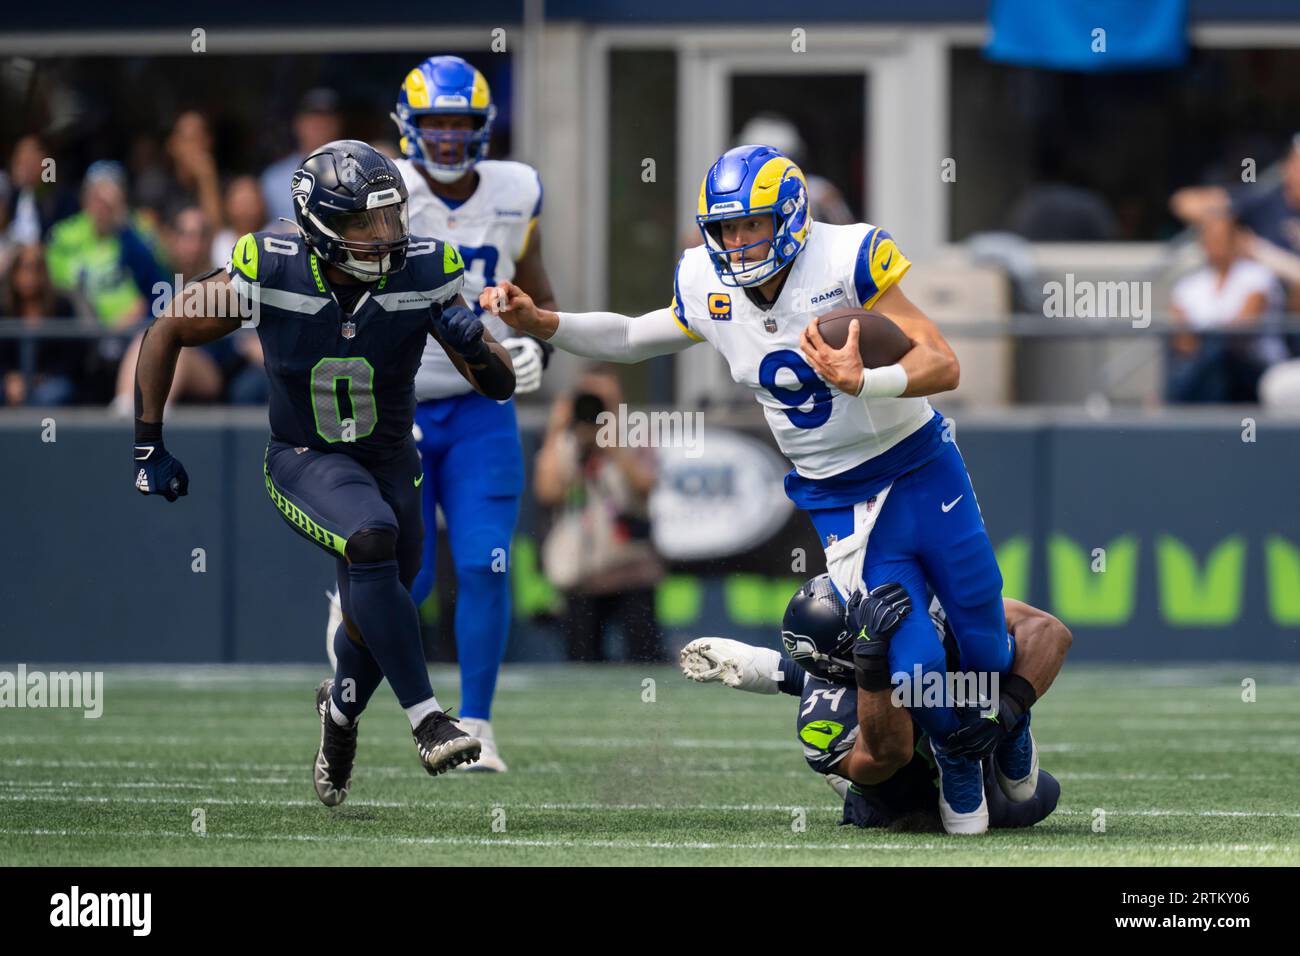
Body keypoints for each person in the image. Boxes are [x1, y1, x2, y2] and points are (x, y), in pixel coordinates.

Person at [484, 144, 1014, 833]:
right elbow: (633, 335)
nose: (736, 242)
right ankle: (958, 756)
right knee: (907, 657)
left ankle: (1010, 736)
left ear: (790, 220)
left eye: (751, 225)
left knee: (983, 635)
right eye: (726, 228)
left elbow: (943, 363)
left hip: (916, 460)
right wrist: (546, 325)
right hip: (838, 495)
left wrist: (866, 380)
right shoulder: (705, 279)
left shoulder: (850, 257)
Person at [132, 139, 517, 805]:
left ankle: (338, 718)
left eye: (390, 216)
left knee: (383, 606)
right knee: (371, 539)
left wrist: (471, 347)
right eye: (365, 223)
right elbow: (168, 328)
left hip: (393, 459)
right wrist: (148, 445)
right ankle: (428, 719)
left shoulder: (425, 268)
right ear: (319, 227)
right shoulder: (271, 267)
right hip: (304, 457)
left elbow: (500, 386)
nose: (385, 235)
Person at [319, 55, 556, 773]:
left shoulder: (517, 189)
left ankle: (478, 725)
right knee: (406, 580)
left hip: (480, 404)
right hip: (401, 402)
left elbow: (532, 286)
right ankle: (347, 701)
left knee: (486, 561)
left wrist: (536, 340)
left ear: (483, 125)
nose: (448, 137)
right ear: (407, 128)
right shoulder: (382, 188)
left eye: (460, 121)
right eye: (435, 122)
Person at [680, 574, 1070, 831]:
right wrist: (872, 665)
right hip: (893, 796)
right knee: (1036, 796)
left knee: (982, 677)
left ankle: (768, 669)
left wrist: (1009, 708)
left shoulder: (923, 616)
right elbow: (886, 756)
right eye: (865, 633)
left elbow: (1048, 631)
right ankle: (780, 680)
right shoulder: (825, 713)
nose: (880, 626)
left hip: (966, 734)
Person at [533, 368, 664, 663]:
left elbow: (645, 487)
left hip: (632, 568)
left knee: (645, 658)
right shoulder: (566, 441)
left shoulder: (636, 433)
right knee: (582, 662)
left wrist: (612, 440)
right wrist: (558, 428)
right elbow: (548, 492)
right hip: (583, 573)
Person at [1168, 213, 1286, 403]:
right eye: (1211, 239)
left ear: (1234, 240)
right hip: (1205, 367)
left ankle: (1173, 403)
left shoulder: (1258, 276)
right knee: (1210, 360)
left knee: (1218, 353)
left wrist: (1206, 335)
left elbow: (1241, 330)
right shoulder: (1187, 286)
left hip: (1255, 366)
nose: (1216, 245)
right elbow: (1184, 343)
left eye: (1222, 238)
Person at [0, 243, 83, 406]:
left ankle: (39, 432)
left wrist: (38, 379)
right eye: (23, 268)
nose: (29, 276)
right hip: (11, 380)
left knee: (50, 395)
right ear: (13, 273)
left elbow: (72, 357)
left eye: (35, 269)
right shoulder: (3, 308)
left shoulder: (61, 306)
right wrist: (9, 377)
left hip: (50, 379)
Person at [260, 89, 343, 226]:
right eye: (313, 120)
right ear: (298, 124)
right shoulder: (272, 178)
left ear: (338, 124)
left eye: (326, 120)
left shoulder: (353, 171)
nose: (319, 126)